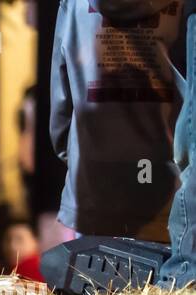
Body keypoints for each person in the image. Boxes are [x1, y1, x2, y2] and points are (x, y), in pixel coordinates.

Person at [50, 0, 183, 242]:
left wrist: (77, 159)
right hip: (169, 190)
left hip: (93, 186)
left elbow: (61, 100)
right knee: (162, 279)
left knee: (92, 274)